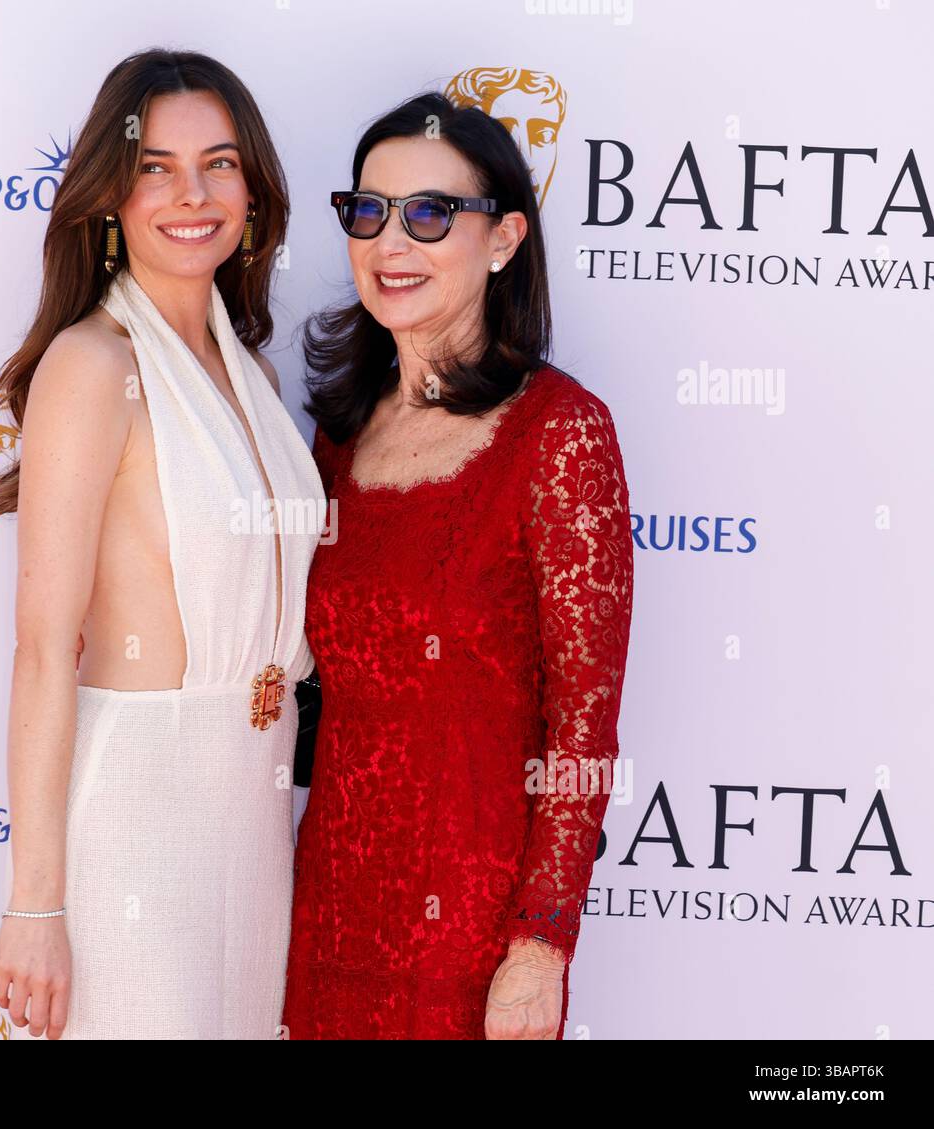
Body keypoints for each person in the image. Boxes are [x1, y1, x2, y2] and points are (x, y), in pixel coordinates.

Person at [0, 49, 324, 1040]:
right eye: (154, 168)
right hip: (135, 808)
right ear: (109, 195)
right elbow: (46, 648)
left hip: (255, 815)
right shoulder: (92, 364)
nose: (192, 193)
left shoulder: (248, 369)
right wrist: (36, 902)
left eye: (219, 163)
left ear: (253, 189)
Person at [281, 92, 634, 1040]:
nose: (391, 242)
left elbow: (583, 728)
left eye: (431, 214)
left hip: (472, 934)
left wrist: (541, 944)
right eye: (370, 211)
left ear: (505, 238)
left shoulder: (560, 434)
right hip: (324, 903)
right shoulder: (338, 437)